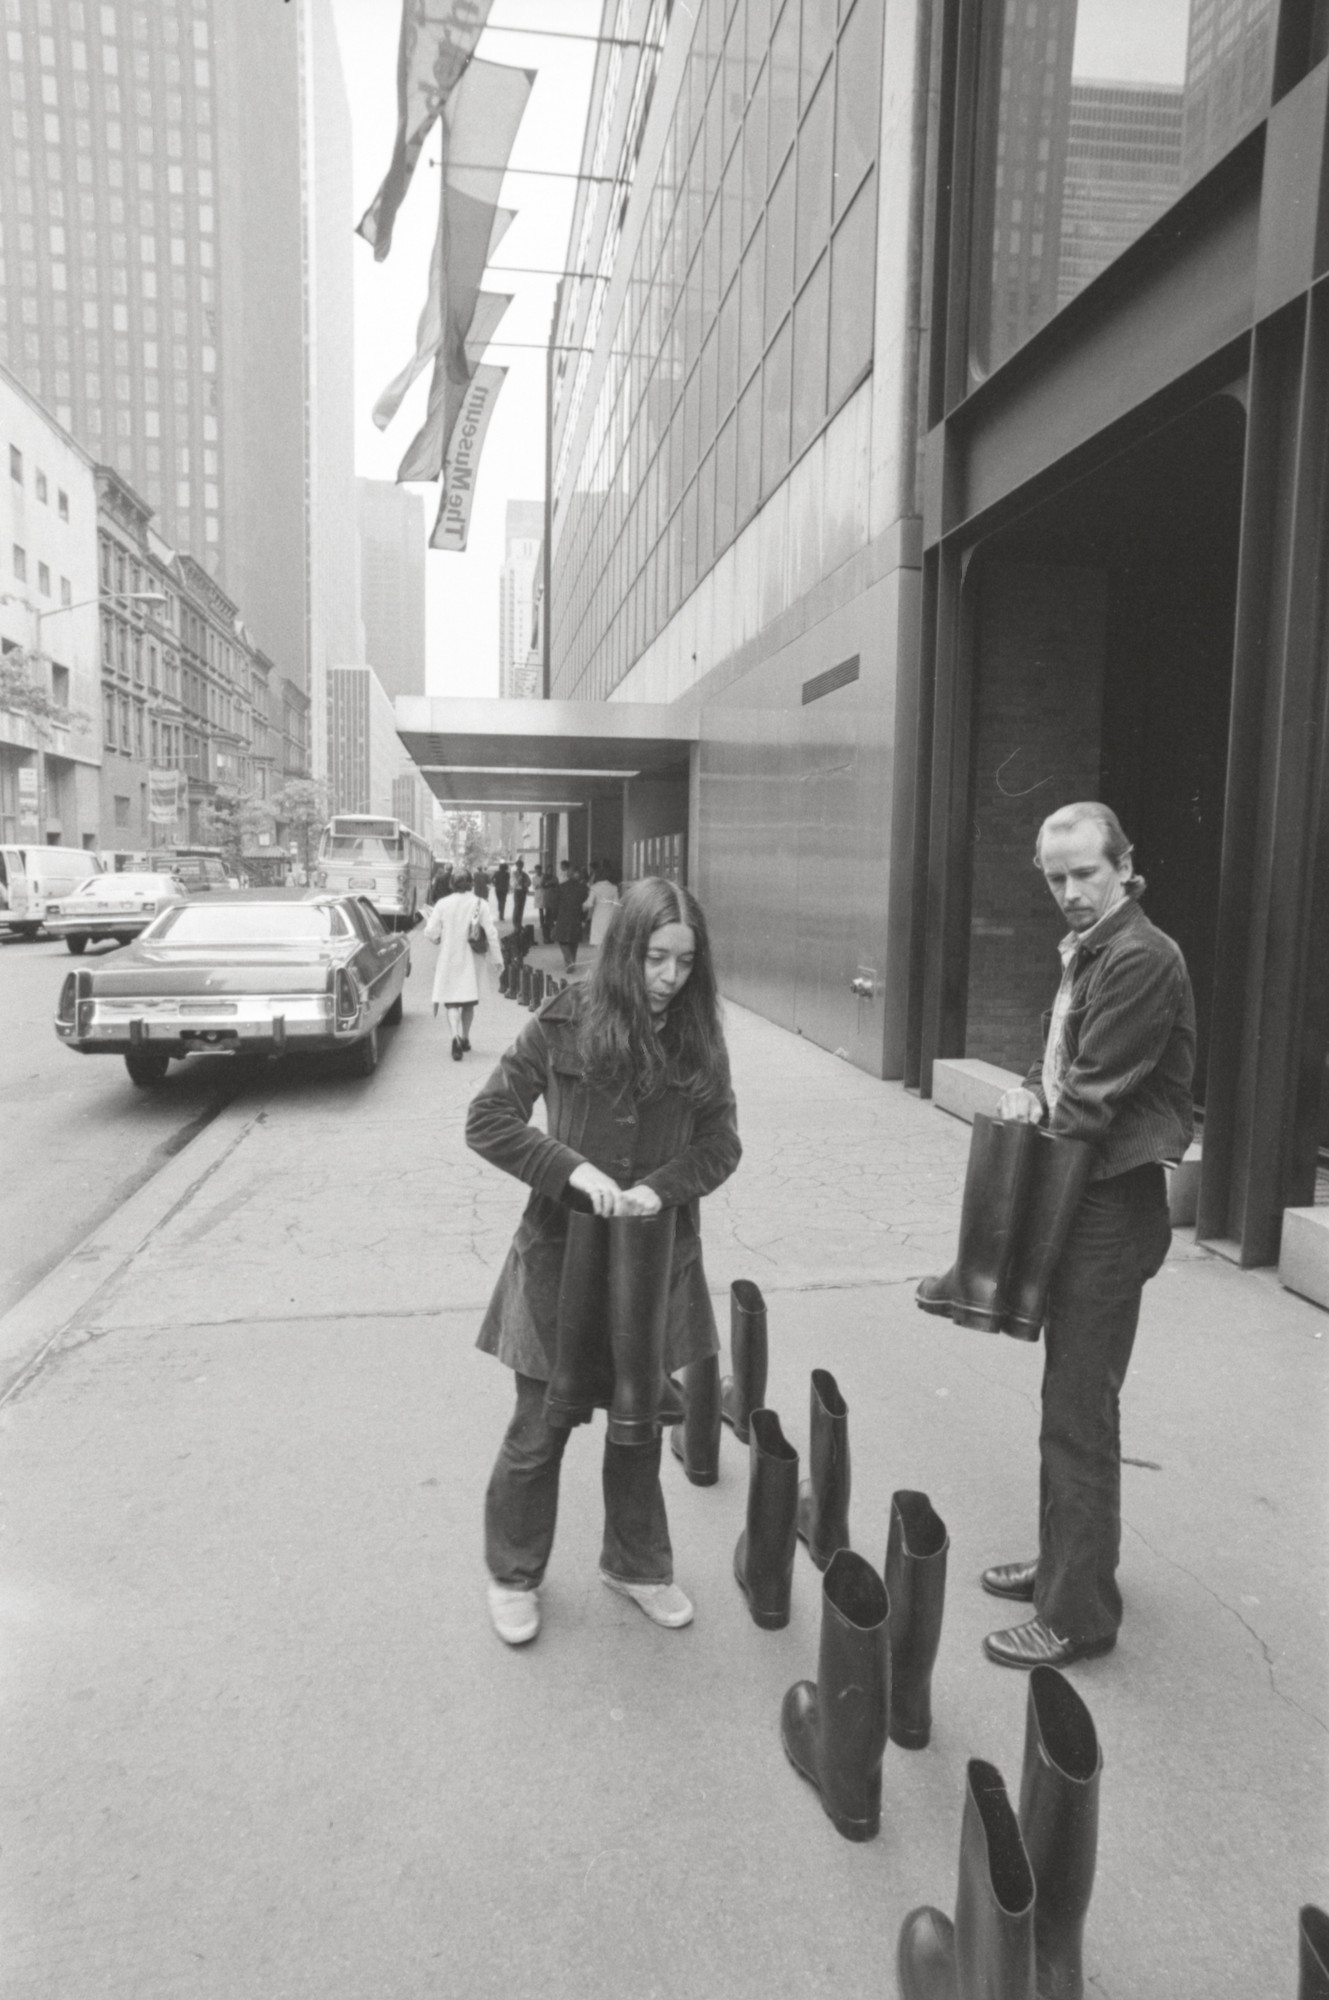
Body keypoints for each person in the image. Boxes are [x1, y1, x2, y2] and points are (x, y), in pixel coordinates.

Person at [466, 878, 742, 1646]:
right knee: (539, 1425)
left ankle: (636, 1564)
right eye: (655, 958)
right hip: (560, 1257)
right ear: (626, 952)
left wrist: (662, 1188)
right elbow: (487, 1119)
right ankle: (513, 1575)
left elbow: (721, 1145)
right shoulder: (564, 1017)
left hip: (654, 1261)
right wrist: (567, 1169)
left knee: (638, 1423)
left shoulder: (697, 1036)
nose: (668, 979)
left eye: (685, 963)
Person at [951, 801, 1195, 1671]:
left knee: (1077, 1416)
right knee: (1069, 1404)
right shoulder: (1092, 951)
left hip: (1106, 1207)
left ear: (1125, 867)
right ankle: (1065, 1569)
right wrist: (1023, 1088)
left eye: (1084, 873)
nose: (1068, 892)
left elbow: (1088, 1101)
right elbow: (1058, 1061)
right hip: (1085, 1199)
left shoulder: (1138, 958)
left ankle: (1078, 1616)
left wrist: (1032, 1127)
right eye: (1054, 879)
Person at [423, 867, 500, 1061]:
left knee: (452, 1002)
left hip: (449, 958)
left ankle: (454, 1037)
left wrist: (436, 937)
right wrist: (498, 959)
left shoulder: (442, 903)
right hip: (472, 961)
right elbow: (491, 933)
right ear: (471, 883)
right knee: (468, 1001)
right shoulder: (480, 903)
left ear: (451, 884)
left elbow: (431, 932)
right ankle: (465, 1038)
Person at [554, 860, 586, 971]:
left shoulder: (561, 887)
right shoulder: (583, 888)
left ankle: (569, 962)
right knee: (574, 941)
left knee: (562, 940)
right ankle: (572, 961)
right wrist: (584, 919)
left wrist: (554, 918)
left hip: (563, 915)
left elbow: (555, 903)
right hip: (577, 915)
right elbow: (585, 904)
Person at [583, 861, 620, 949]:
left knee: (599, 941)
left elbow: (589, 903)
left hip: (598, 916)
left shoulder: (594, 888)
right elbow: (617, 904)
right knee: (609, 941)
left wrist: (582, 905)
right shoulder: (614, 888)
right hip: (610, 916)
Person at [538, 863, 559, 945]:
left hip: (553, 898)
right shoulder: (545, 877)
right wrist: (549, 884)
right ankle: (547, 937)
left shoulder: (555, 878)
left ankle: (551, 936)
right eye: (549, 870)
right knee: (548, 918)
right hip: (547, 898)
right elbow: (542, 885)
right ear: (547, 870)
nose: (550, 871)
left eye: (551, 870)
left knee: (552, 918)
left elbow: (557, 886)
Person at [511, 860, 530, 936]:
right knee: (517, 907)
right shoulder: (514, 873)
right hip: (517, 891)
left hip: (523, 891)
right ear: (516, 865)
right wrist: (520, 878)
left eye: (521, 865)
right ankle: (515, 924)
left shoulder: (525, 874)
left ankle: (519, 923)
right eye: (519, 865)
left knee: (521, 908)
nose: (520, 867)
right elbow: (515, 883)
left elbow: (529, 882)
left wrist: (525, 884)